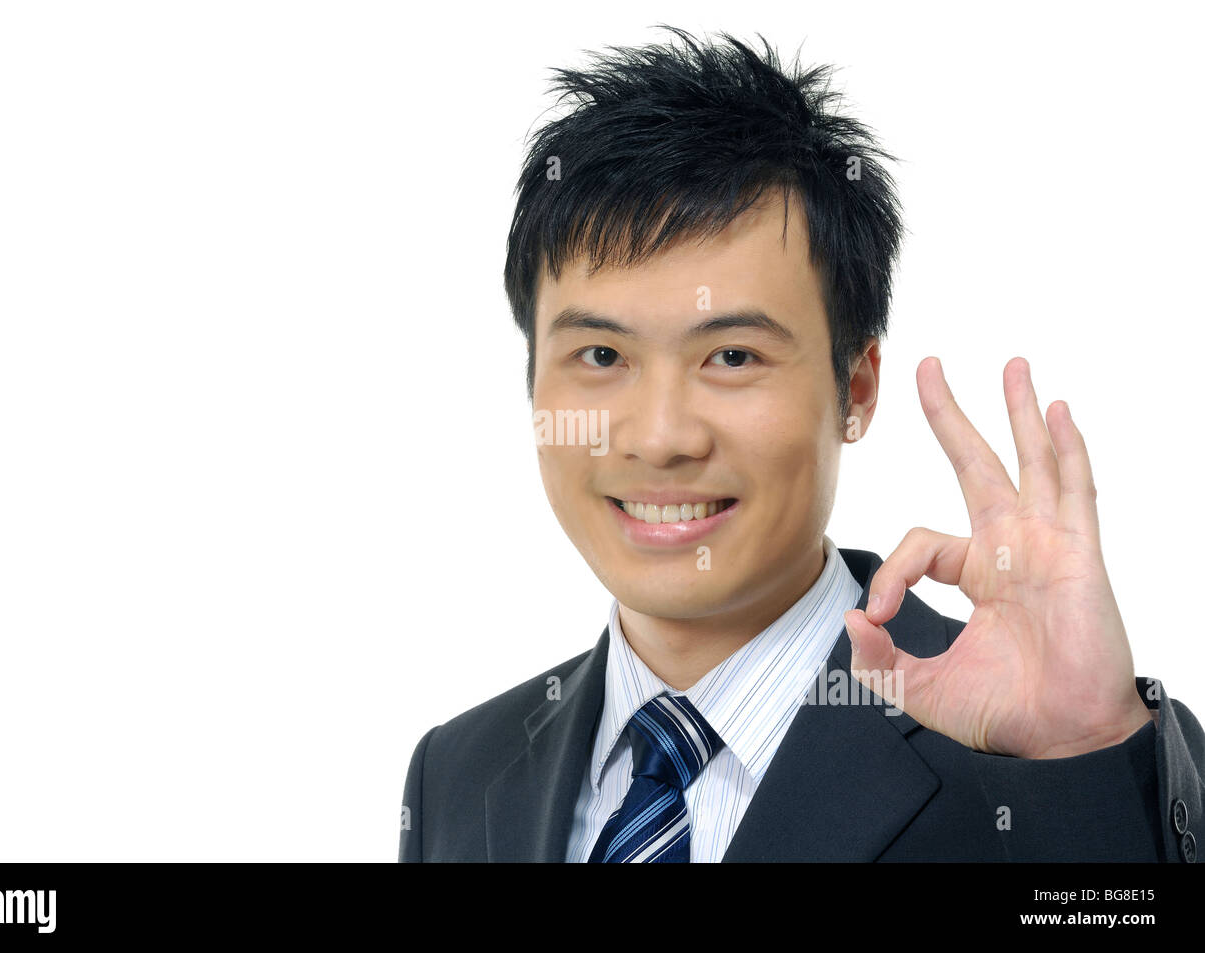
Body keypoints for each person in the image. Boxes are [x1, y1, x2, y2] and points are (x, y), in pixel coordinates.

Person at [397, 26, 1203, 862]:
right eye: (601, 356)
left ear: (855, 387)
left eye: (732, 356)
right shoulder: (459, 774)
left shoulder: (1040, 739)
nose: (662, 437)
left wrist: (1087, 755)